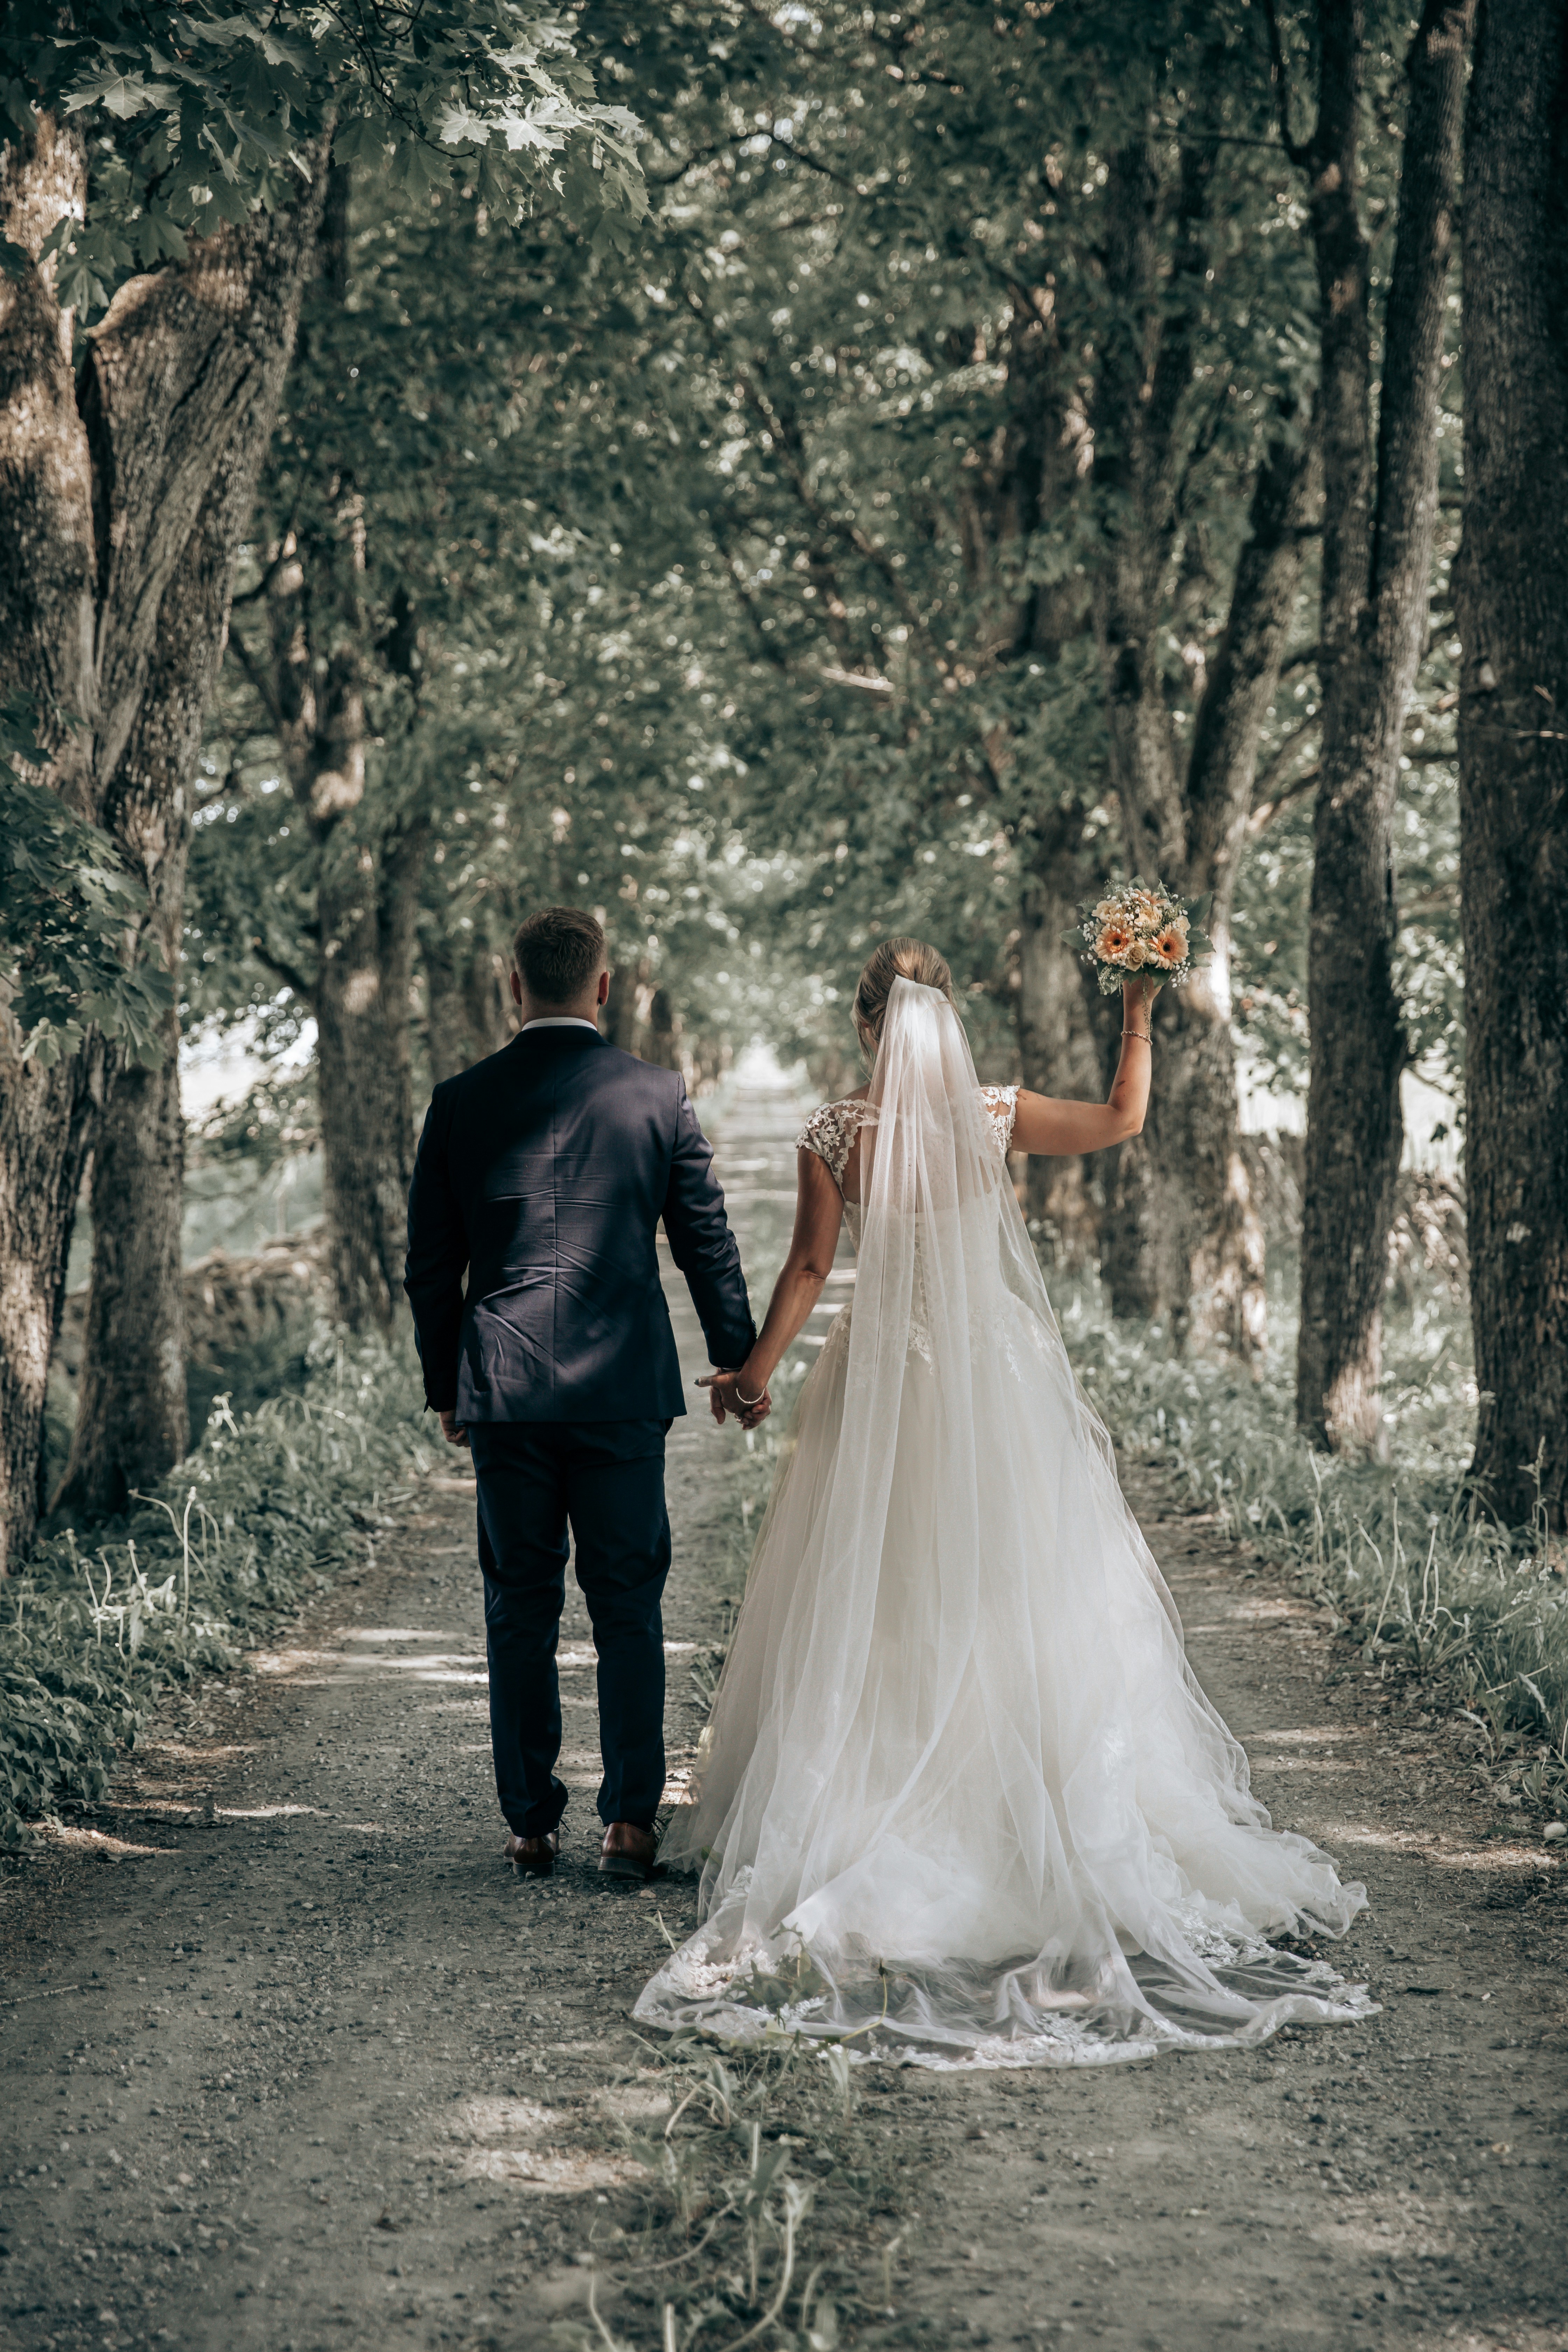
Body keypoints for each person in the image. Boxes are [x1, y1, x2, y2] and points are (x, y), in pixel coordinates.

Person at [636, 938, 1374, 2067]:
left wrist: (754, 1376)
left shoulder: (840, 1134)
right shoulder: (990, 1116)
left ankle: (874, 1804)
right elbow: (1123, 1121)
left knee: (879, 1591)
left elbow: (805, 1271)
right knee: (1016, 1583)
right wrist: (1135, 1009)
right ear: (948, 1015)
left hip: (884, 1380)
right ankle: (1021, 1814)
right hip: (996, 1379)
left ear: (865, 1019)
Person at [403, 906, 756, 1882]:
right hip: (620, 1390)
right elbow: (705, 1240)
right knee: (628, 1601)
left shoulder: (461, 1101)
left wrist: (448, 1384)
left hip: (507, 1389)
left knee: (519, 1602)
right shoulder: (657, 1096)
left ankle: (529, 1823)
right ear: (606, 987)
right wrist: (738, 1361)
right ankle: (630, 1822)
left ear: (512, 985)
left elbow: (430, 1267)